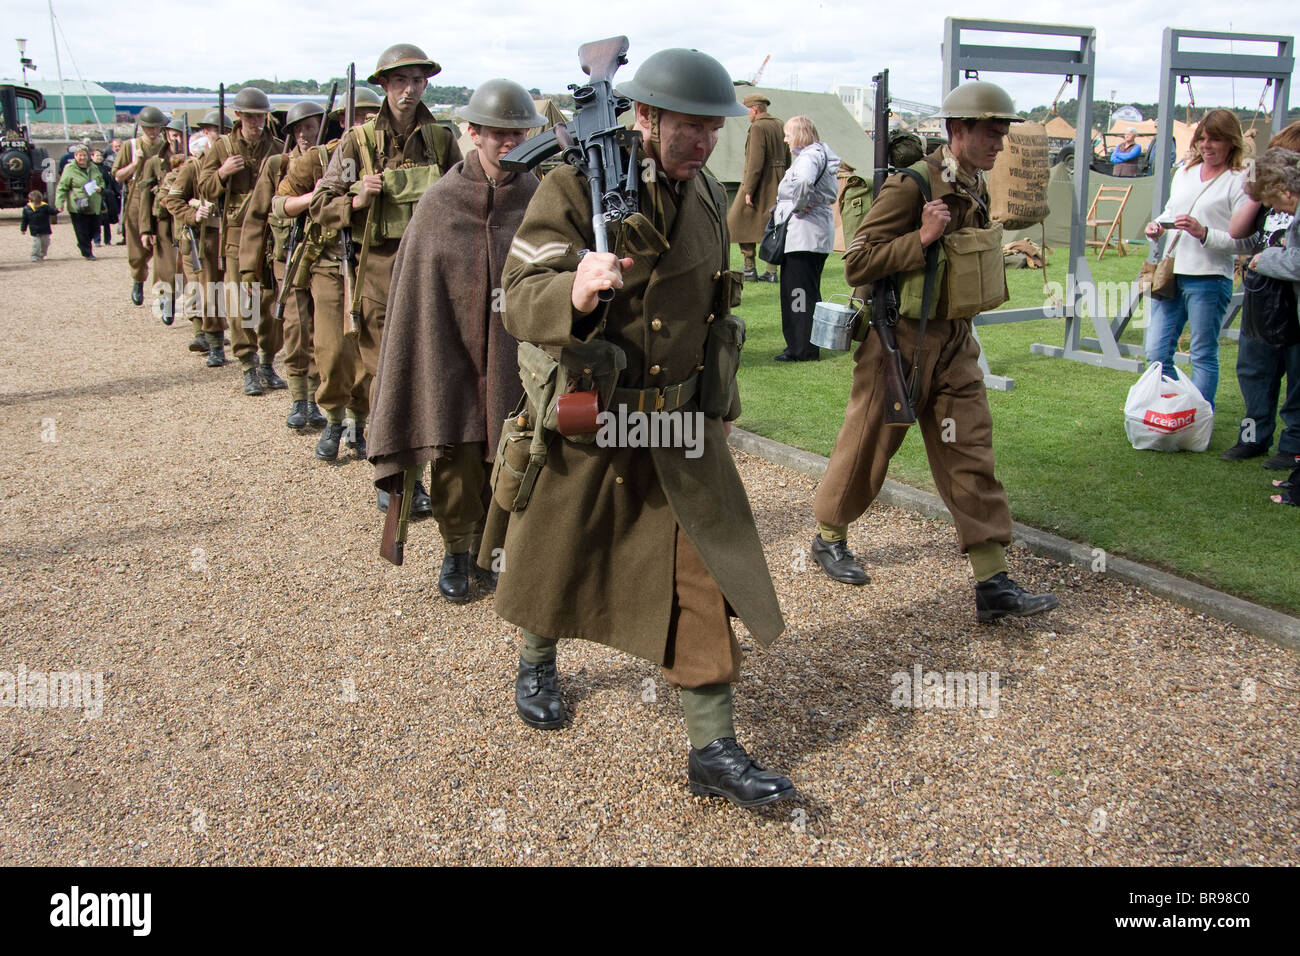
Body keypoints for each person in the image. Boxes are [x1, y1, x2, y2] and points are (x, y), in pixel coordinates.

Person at [489, 47, 793, 808]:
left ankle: (713, 748)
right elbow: (520, 297)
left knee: (703, 575)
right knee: (557, 553)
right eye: (689, 128)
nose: (703, 144)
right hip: (592, 415)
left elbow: (719, 310)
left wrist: (717, 406)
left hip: (676, 427)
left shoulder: (706, 200)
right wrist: (577, 288)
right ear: (647, 119)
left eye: (712, 130)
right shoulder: (572, 184)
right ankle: (536, 658)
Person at [809, 81, 1059, 624]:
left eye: (1002, 133)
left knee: (969, 451)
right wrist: (919, 239)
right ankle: (829, 536)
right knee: (869, 444)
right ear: (957, 131)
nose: (999, 143)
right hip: (899, 342)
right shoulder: (912, 186)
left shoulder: (974, 184)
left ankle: (992, 581)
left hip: (955, 342)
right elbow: (857, 262)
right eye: (991, 133)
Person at [369, 79, 543, 602]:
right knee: (457, 459)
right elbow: (415, 296)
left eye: (518, 134)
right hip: (449, 358)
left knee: (511, 456)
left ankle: (496, 552)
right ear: (474, 134)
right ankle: (456, 551)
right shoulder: (440, 202)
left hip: (516, 358)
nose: (510, 145)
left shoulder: (539, 200)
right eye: (498, 136)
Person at [309, 44, 462, 468]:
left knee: (433, 371)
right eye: (400, 81)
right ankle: (391, 473)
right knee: (387, 374)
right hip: (377, 277)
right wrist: (356, 200)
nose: (409, 90)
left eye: (417, 81)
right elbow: (321, 204)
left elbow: (465, 196)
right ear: (384, 86)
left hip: (434, 274)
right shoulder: (356, 144)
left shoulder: (440, 141)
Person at [280, 88, 383, 458]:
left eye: (373, 115)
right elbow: (281, 202)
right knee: (333, 348)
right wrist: (331, 198)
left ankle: (359, 419)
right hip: (328, 261)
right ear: (343, 121)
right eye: (359, 116)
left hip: (373, 263)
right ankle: (334, 417)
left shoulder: (388, 158)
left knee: (369, 350)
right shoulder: (319, 159)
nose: (366, 123)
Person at [1144, 109, 1254, 409]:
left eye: (1214, 139)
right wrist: (1157, 225)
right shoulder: (1185, 172)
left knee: (1203, 352)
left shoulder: (1240, 180)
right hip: (1172, 273)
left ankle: (1200, 415)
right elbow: (1170, 212)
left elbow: (1245, 239)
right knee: (1155, 351)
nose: (1206, 145)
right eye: (1202, 139)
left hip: (1209, 277)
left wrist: (1204, 233)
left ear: (1231, 141)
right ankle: (1167, 410)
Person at [240, 100, 327, 428]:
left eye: (311, 126)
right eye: (299, 128)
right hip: (286, 259)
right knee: (295, 326)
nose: (305, 134)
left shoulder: (332, 160)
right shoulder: (279, 164)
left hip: (323, 259)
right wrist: (249, 267)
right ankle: (298, 397)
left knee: (322, 332)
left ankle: (318, 397)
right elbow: (258, 215)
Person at [1222, 124, 1300, 469]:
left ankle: (1293, 444)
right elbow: (1237, 230)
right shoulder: (1267, 197)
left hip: (1291, 298)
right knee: (1254, 370)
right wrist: (1258, 193)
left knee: (1297, 376)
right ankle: (1253, 435)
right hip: (1261, 296)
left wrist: (1264, 259)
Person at [199, 86, 285, 397]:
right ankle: (248, 363)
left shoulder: (277, 146)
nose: (256, 122)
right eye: (250, 117)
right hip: (236, 234)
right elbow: (205, 188)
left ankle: (267, 360)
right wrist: (222, 173)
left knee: (272, 302)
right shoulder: (223, 148)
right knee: (239, 302)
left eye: (261, 117)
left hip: (270, 234)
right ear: (238, 116)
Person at [772, 114, 839, 362]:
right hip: (815, 235)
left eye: (788, 134)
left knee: (798, 293)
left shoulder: (809, 157)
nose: (785, 139)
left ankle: (801, 349)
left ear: (799, 134)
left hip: (804, 236)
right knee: (807, 291)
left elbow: (802, 181)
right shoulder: (821, 153)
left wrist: (798, 205)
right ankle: (805, 345)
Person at [163, 120, 226, 362]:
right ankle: (209, 341)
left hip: (227, 236)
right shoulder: (193, 167)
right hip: (200, 238)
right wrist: (193, 213)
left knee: (234, 291)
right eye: (217, 131)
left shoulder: (233, 163)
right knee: (204, 289)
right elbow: (172, 200)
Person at [112, 106, 173, 304]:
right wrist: (134, 164)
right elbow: (117, 176)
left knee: (164, 250)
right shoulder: (130, 146)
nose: (153, 132)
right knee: (137, 249)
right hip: (137, 199)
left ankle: (164, 291)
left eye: (156, 128)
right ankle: (138, 278)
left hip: (161, 198)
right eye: (149, 128)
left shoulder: (166, 147)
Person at [726, 93, 788, 283]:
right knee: (775, 224)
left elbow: (755, 161)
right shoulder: (779, 124)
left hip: (762, 181)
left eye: (748, 111)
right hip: (780, 179)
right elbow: (787, 154)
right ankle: (771, 271)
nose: (747, 115)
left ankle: (749, 268)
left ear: (754, 109)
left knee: (738, 221)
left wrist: (749, 190)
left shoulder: (758, 127)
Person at [138, 118, 188, 324]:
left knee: (187, 268)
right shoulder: (155, 162)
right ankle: (165, 298)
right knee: (166, 265)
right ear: (167, 136)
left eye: (181, 135)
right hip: (164, 221)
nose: (178, 139)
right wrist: (146, 228)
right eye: (174, 135)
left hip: (187, 218)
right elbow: (145, 196)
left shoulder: (195, 158)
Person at [55, 143, 105, 260]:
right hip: (77, 204)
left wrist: (100, 187)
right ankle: (87, 252)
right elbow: (62, 186)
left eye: (84, 155)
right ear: (75, 156)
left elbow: (102, 181)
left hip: (93, 203)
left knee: (94, 228)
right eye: (79, 155)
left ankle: (83, 243)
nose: (82, 158)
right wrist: (59, 203)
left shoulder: (94, 167)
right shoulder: (69, 169)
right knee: (81, 230)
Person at [90, 147, 119, 246]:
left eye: (101, 156)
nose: (99, 157)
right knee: (97, 218)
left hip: (106, 194)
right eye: (97, 155)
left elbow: (110, 181)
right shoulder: (90, 169)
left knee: (107, 219)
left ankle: (107, 240)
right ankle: (97, 239)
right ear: (92, 157)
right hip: (95, 194)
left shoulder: (106, 168)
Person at [20, 189, 55, 261]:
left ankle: (42, 254)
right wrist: (23, 229)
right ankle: (34, 256)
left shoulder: (45, 207)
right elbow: (24, 220)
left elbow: (52, 212)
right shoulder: (27, 209)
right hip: (35, 230)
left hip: (45, 229)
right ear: (30, 201)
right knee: (37, 244)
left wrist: (58, 210)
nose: (37, 205)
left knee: (45, 243)